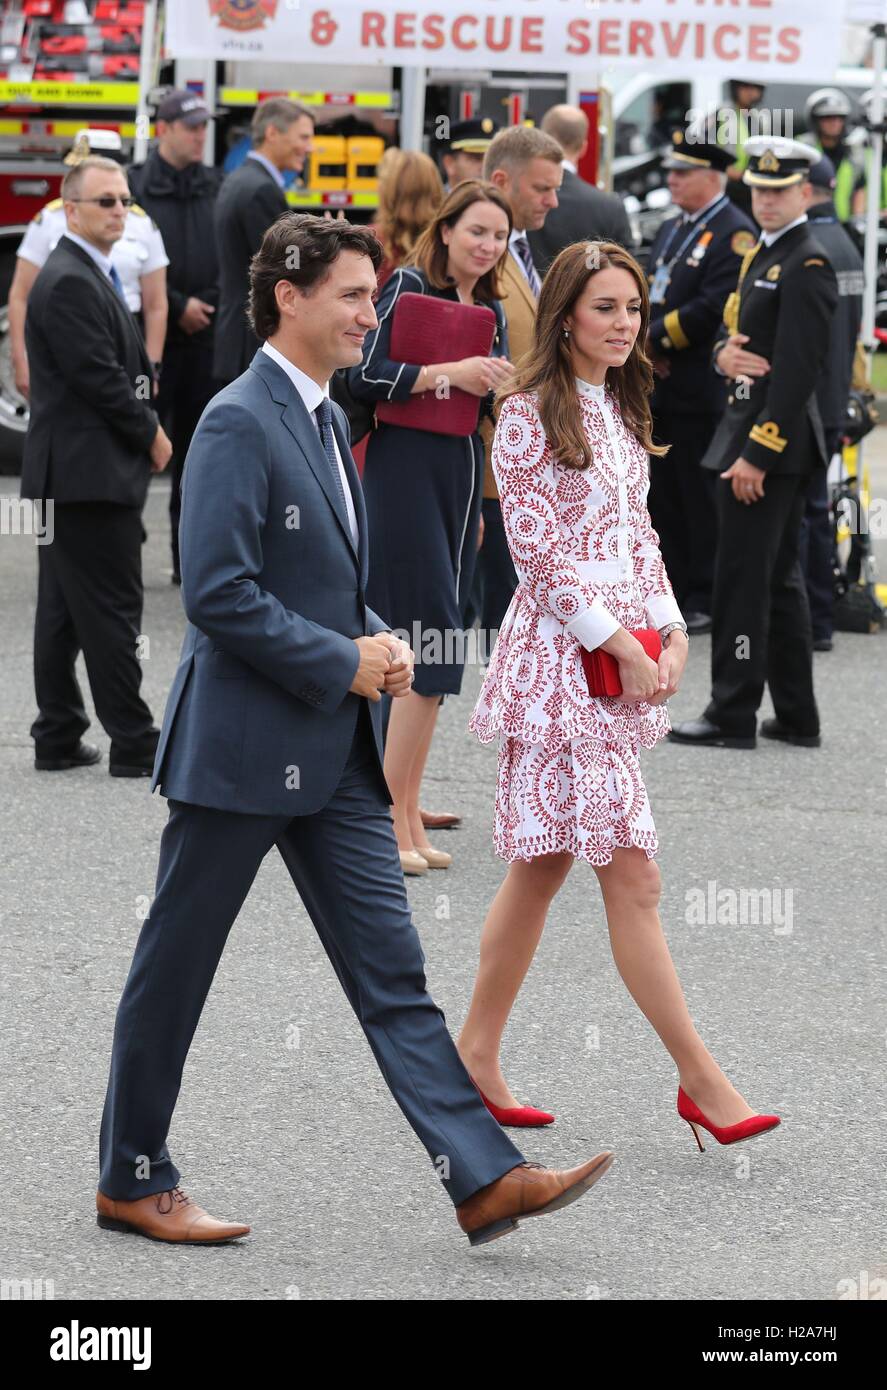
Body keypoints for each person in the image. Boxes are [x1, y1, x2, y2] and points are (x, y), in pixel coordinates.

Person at [96, 212, 613, 1249]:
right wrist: (346, 661)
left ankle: (482, 1179)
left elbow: (330, 581)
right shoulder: (240, 418)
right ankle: (132, 1176)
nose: (367, 314)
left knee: (391, 973)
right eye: (348, 295)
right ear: (287, 297)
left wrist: (372, 636)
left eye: (370, 295)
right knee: (177, 965)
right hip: (240, 747)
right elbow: (221, 595)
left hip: (334, 754)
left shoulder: (330, 418)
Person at [461, 240, 780, 1151]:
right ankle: (702, 1081)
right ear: (564, 315)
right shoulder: (524, 414)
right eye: (605, 308)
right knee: (629, 874)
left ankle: (475, 1053)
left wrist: (672, 630)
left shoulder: (618, 406)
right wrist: (616, 644)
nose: (623, 324)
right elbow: (536, 553)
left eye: (632, 309)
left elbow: (636, 537)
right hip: (560, 662)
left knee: (544, 866)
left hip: (619, 653)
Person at [348, 180, 514, 876]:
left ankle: (406, 808)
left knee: (442, 644)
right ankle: (385, 816)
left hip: (458, 468)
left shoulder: (493, 307)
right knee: (421, 636)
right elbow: (362, 373)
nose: (487, 245)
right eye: (476, 230)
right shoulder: (405, 285)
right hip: (404, 465)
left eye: (500, 236)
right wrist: (450, 372)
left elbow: (482, 408)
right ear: (446, 230)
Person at [670, 138, 838, 751]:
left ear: (805, 192)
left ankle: (731, 712)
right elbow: (737, 335)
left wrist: (758, 455)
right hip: (750, 434)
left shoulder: (806, 262)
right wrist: (721, 355)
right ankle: (796, 715)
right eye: (760, 190)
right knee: (779, 582)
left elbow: (798, 374)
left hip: (770, 446)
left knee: (742, 582)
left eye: (780, 190)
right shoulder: (768, 254)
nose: (767, 200)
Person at [20, 156, 173, 776]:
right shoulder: (72, 280)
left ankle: (57, 733)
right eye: (105, 201)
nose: (119, 211)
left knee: (61, 609)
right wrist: (153, 434)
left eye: (124, 201)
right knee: (113, 609)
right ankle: (135, 743)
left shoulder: (85, 271)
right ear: (69, 208)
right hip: (87, 478)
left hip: (72, 477)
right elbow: (101, 381)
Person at [645, 119, 757, 633]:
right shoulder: (674, 225)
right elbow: (653, 289)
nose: (673, 180)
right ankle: (674, 589)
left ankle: (706, 596)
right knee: (663, 497)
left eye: (684, 172)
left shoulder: (734, 231)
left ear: (714, 175)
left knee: (698, 497)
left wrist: (653, 340)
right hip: (661, 388)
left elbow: (714, 307)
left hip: (699, 389)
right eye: (671, 170)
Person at [471, 126, 564, 664]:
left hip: (523, 455)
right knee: (497, 612)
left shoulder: (520, 247)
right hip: (492, 458)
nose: (552, 201)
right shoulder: (482, 257)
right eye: (541, 189)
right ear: (501, 180)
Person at [128, 90, 224, 585]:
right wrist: (179, 302)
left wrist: (204, 302)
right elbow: (125, 262)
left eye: (204, 126)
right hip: (150, 342)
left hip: (205, 339)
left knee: (196, 455)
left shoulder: (215, 184)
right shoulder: (135, 185)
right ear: (163, 129)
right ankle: (123, 550)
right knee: (139, 444)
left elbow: (232, 253)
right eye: (190, 127)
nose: (200, 135)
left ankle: (188, 563)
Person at [9, 128, 168, 399]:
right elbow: (20, 295)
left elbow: (156, 305)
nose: (74, 178)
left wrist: (150, 370)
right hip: (66, 337)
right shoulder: (50, 218)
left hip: (126, 335)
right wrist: (20, 361)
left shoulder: (142, 224)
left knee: (135, 415)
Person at [802, 155, 864, 651]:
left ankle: (810, 619)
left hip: (808, 402)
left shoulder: (814, 247)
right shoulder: (846, 242)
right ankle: (818, 619)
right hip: (831, 395)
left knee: (803, 515)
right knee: (815, 511)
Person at [213, 98, 314, 384]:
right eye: (303, 137)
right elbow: (284, 270)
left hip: (237, 339)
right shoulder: (261, 190)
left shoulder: (239, 179)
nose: (310, 147)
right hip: (252, 344)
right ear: (272, 133)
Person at [526, 104, 633, 276]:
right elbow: (626, 274)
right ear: (583, 148)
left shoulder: (518, 197)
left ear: (542, 140)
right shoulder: (611, 207)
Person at [798, 88, 862, 224]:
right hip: (807, 222)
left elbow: (859, 189)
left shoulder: (853, 153)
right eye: (827, 118)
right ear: (815, 120)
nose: (834, 123)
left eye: (839, 118)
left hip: (843, 226)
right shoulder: (802, 149)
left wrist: (857, 222)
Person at [439, 117, 499, 193]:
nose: (484, 166)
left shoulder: (501, 203)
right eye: (476, 158)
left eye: (490, 159)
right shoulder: (435, 203)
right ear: (449, 164)